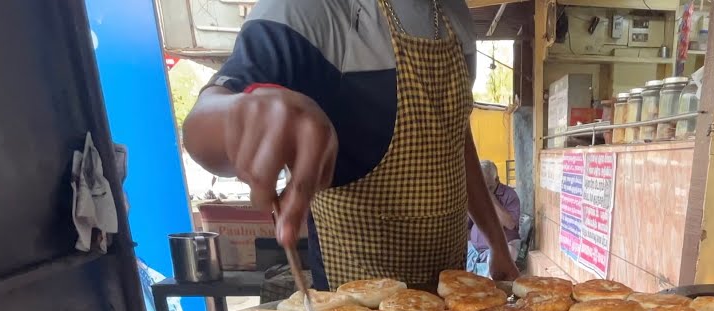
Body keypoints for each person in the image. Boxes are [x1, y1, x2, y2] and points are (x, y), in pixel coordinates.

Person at [182, 0, 519, 291]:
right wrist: (237, 116)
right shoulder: (309, 11)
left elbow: (455, 137)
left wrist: (498, 245)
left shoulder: (453, 12)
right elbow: (203, 122)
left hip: (448, 295)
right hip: (354, 307)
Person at [466, 160, 522, 277]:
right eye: (480, 185)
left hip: (502, 247)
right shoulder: (476, 194)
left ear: (496, 180)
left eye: (488, 186)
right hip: (476, 249)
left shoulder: (509, 195)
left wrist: (490, 197)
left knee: (497, 270)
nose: (483, 190)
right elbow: (468, 225)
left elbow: (510, 224)